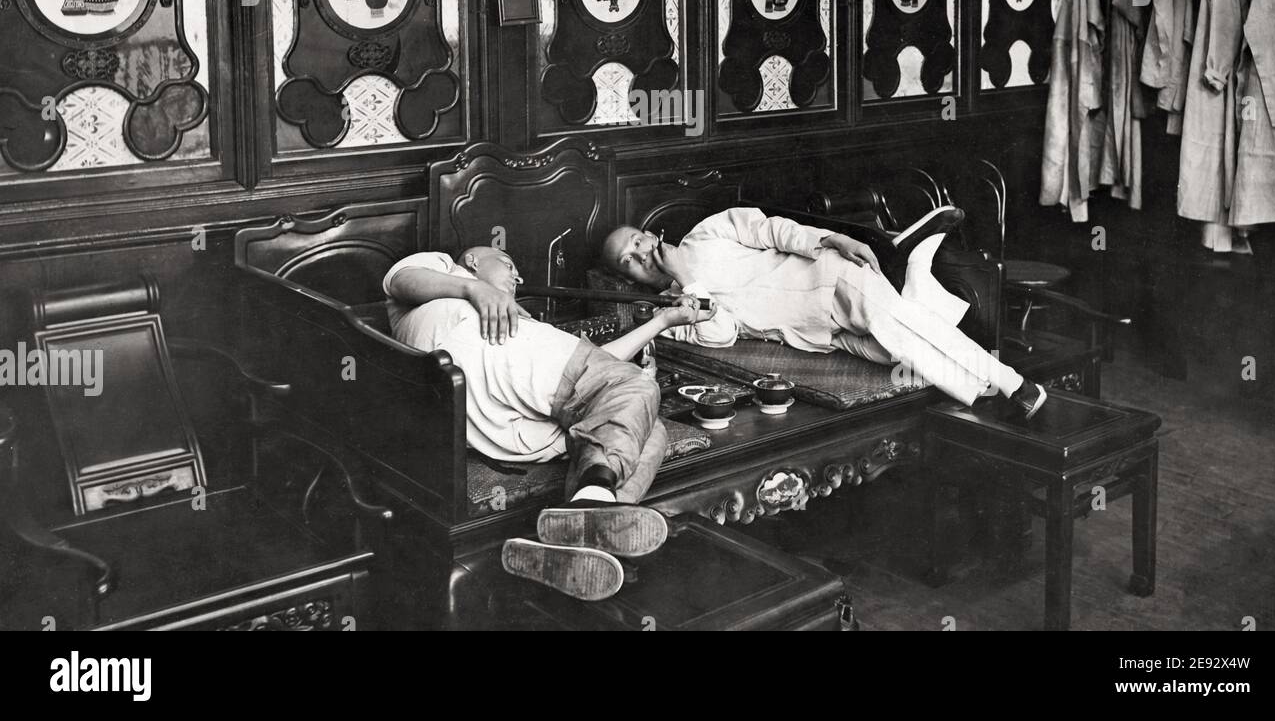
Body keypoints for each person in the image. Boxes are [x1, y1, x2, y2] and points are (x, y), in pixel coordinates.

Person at [383, 245, 712, 602]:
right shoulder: (446, 269)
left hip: (504, 422)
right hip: (489, 386)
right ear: (474, 261)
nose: (518, 277)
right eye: (508, 264)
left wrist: (661, 321)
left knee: (647, 427)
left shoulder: (522, 322)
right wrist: (475, 288)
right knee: (637, 385)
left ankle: (579, 538)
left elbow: (596, 367)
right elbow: (401, 280)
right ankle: (592, 503)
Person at [601, 206, 1047, 420]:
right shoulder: (676, 308)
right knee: (903, 354)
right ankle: (913, 273)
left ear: (650, 234)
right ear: (630, 278)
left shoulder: (705, 234)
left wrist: (832, 240)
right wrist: (690, 284)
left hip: (831, 279)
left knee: (905, 331)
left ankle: (1014, 385)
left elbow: (772, 230)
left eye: (638, 240)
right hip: (821, 332)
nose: (640, 254)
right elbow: (721, 335)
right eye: (627, 260)